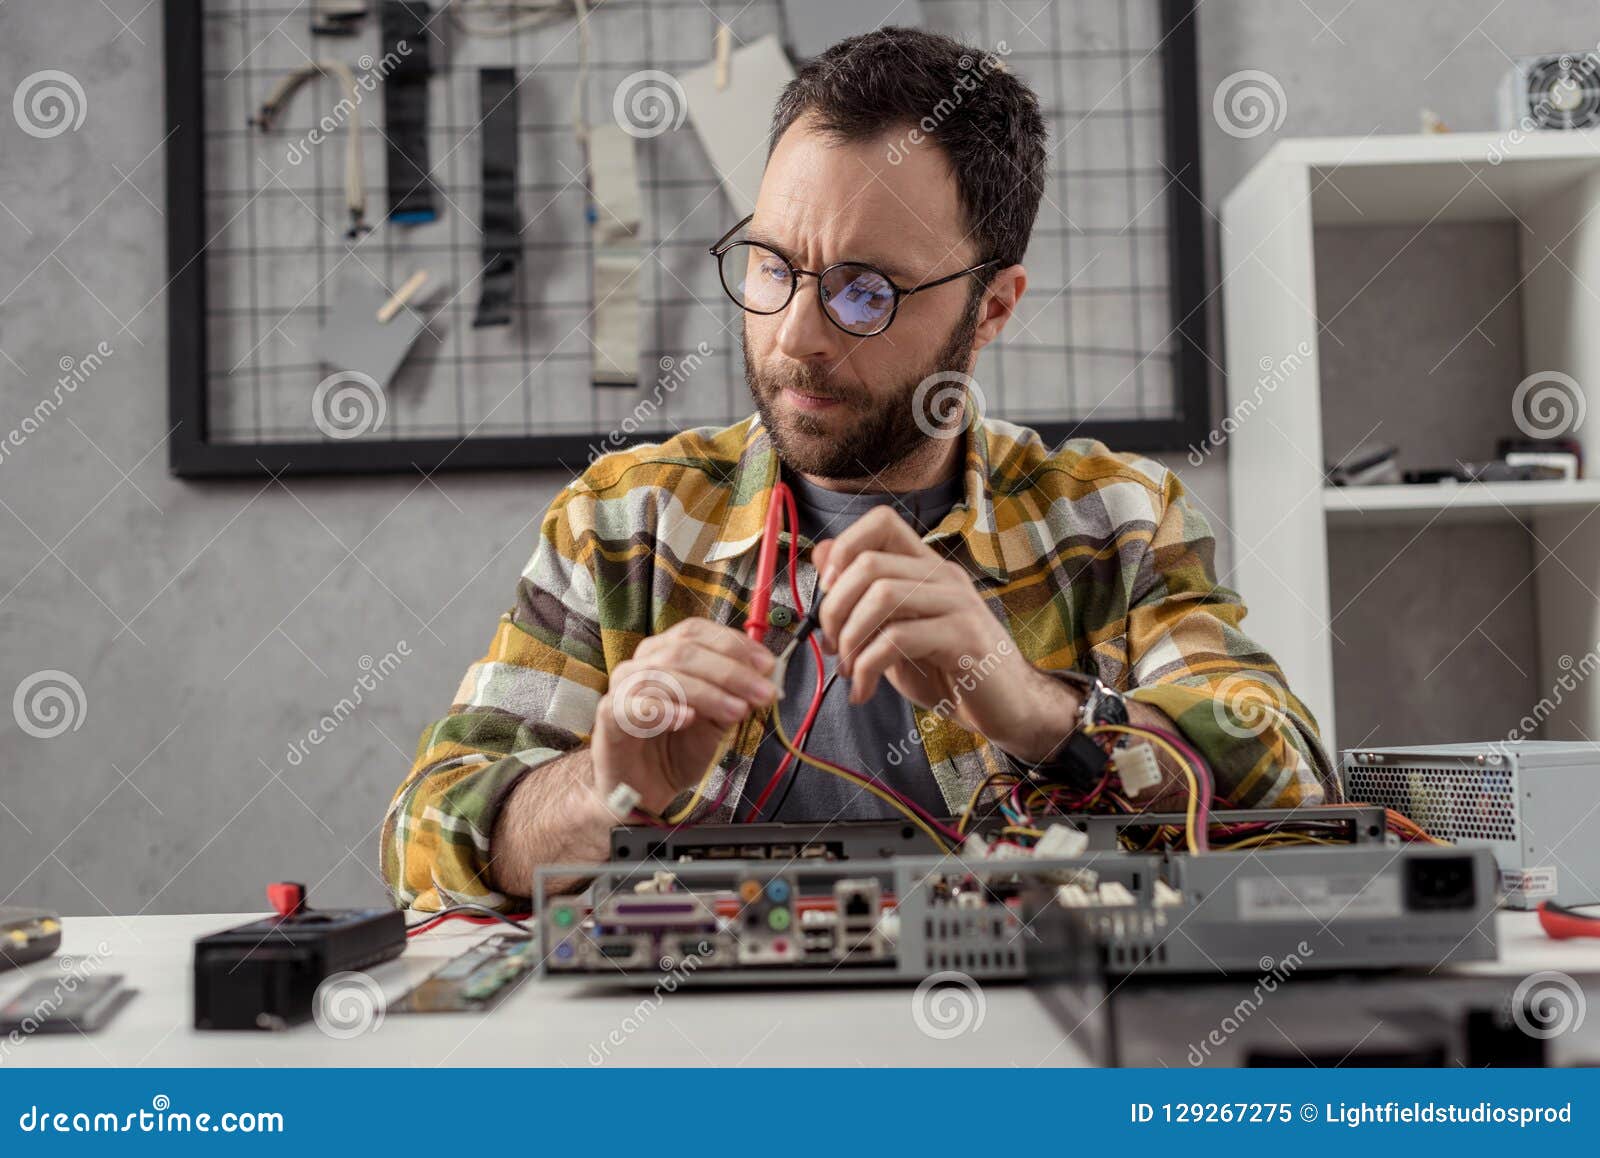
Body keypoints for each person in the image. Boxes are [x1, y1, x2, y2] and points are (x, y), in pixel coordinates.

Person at [381, 27, 1333, 912]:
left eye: (864, 291)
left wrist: (1040, 716)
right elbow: (422, 833)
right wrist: (608, 787)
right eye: (770, 265)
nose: (796, 338)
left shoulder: (1115, 520)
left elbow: (1294, 787)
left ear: (993, 308)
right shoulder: (628, 520)